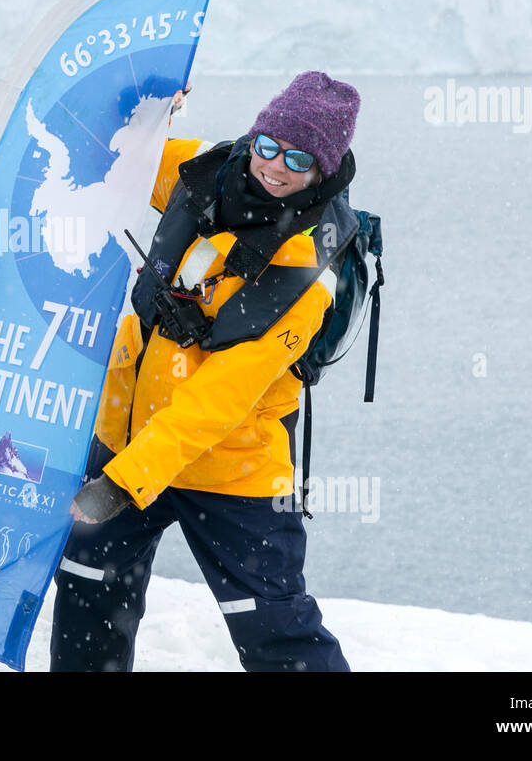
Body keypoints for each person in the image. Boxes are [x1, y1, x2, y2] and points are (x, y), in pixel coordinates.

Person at [50, 71, 357, 672]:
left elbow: (218, 397)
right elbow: (107, 153)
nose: (275, 166)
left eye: (299, 158)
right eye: (268, 146)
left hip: (229, 464)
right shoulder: (204, 172)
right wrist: (145, 114)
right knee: (90, 593)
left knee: (274, 628)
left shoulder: (308, 272)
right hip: (132, 439)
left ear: (323, 168)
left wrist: (120, 483)